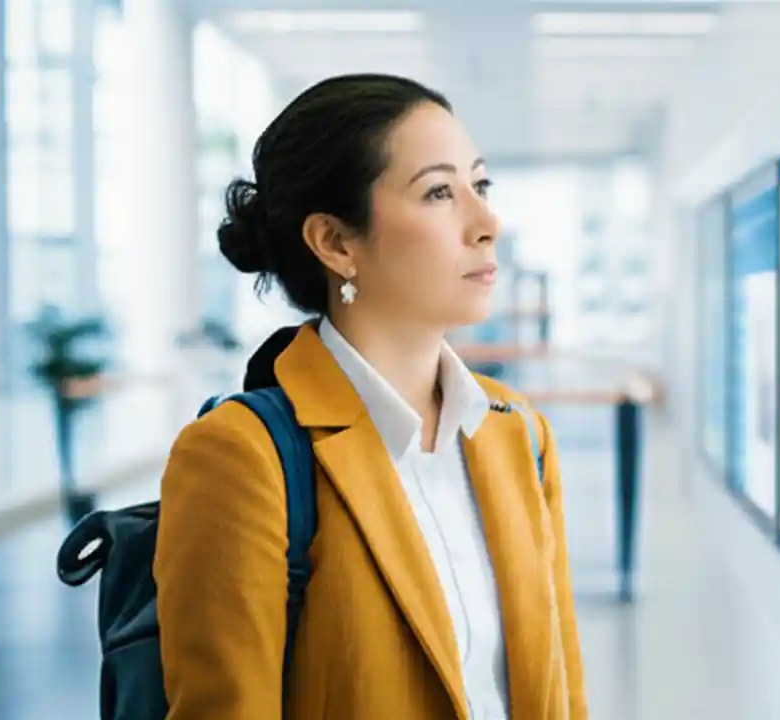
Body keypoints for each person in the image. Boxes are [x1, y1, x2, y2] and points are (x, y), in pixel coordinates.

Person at [152, 74, 588, 719]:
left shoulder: (517, 432)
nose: (487, 222)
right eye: (439, 192)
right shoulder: (241, 456)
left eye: (481, 185)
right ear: (335, 242)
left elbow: (561, 692)